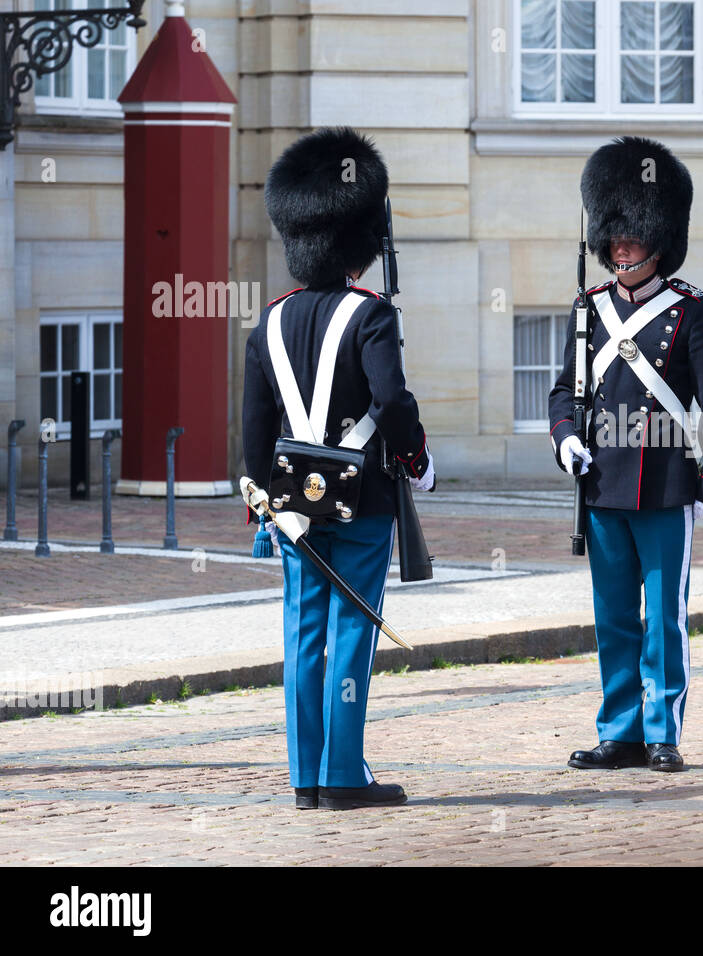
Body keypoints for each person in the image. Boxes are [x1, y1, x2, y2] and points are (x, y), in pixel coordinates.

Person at [242, 127, 436, 810]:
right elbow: (393, 402)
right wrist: (416, 458)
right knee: (353, 630)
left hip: (293, 502)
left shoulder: (266, 323)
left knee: (303, 635)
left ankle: (304, 777)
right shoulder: (372, 316)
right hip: (364, 500)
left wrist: (265, 499)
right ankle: (344, 776)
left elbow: (255, 429)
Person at [548, 137, 703, 773]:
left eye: (632, 238)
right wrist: (565, 435)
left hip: (662, 485)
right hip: (602, 484)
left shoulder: (692, 310)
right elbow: (563, 391)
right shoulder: (588, 312)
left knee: (663, 619)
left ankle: (662, 730)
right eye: (615, 238)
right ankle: (621, 729)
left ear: (657, 242)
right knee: (613, 618)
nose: (621, 248)